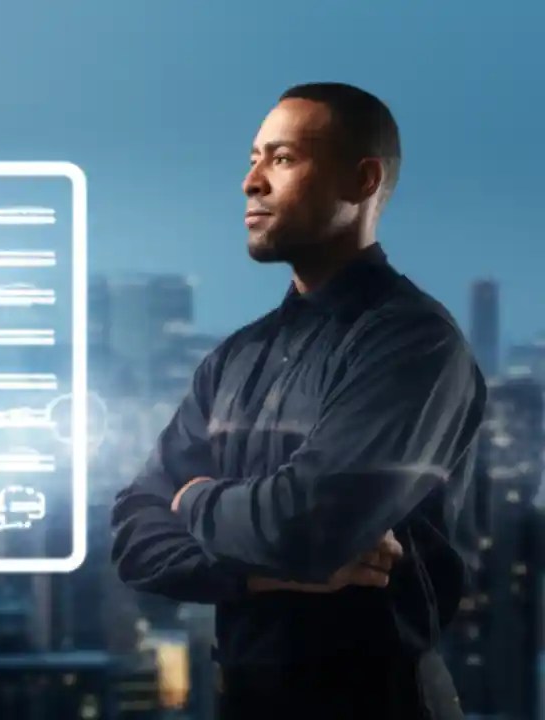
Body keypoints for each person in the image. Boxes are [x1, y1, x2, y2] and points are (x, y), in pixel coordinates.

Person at [110, 82, 486, 718]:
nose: (250, 182)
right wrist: (265, 571)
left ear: (363, 180)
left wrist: (192, 498)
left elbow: (305, 525)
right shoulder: (234, 358)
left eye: (282, 159)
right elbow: (133, 538)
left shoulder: (413, 342)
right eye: (253, 159)